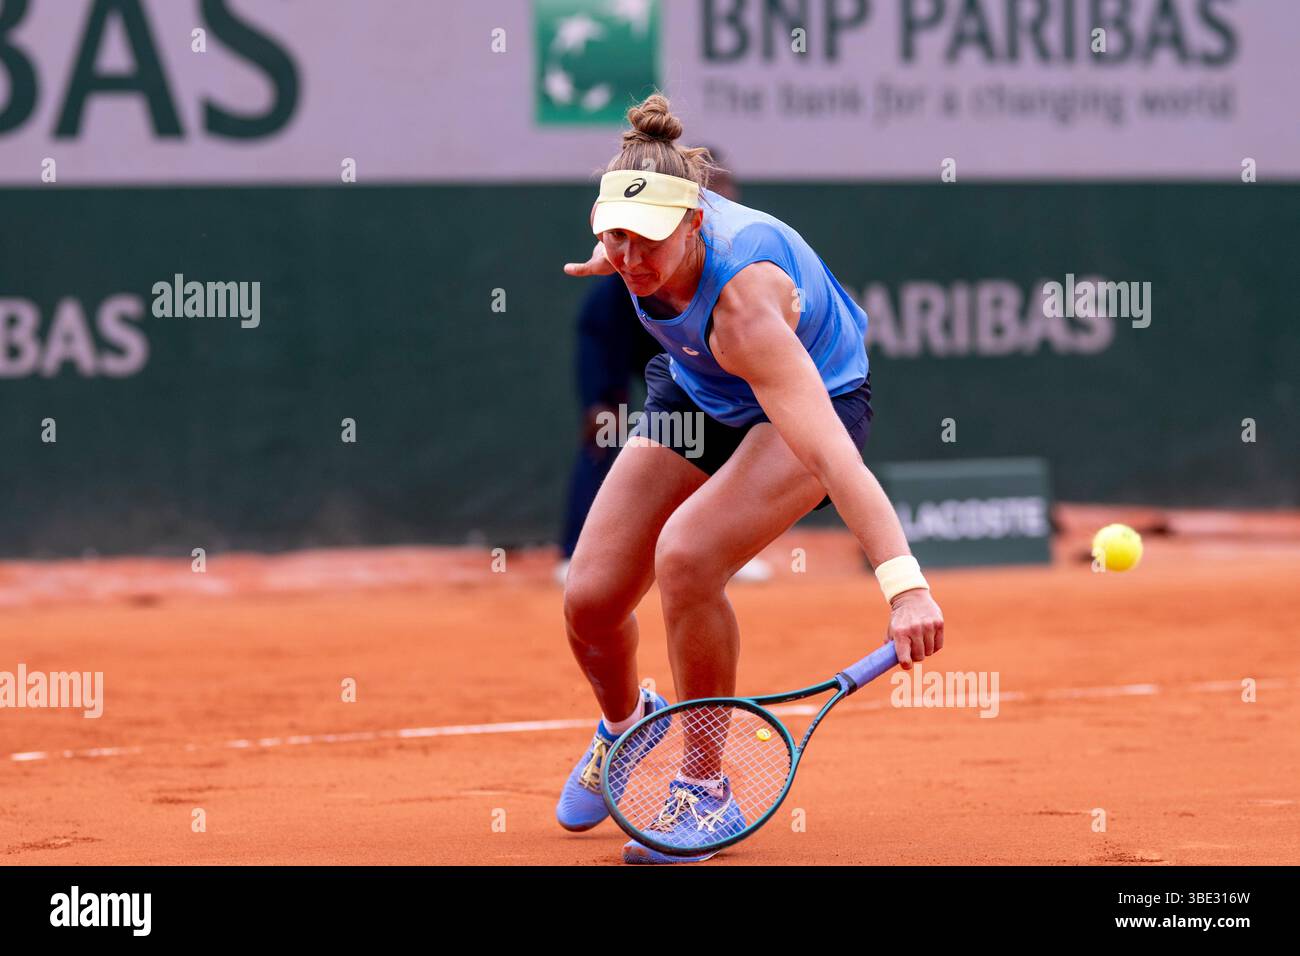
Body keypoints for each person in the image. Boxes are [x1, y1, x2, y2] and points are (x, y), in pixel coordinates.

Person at [554, 94, 945, 864]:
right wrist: (625, 245)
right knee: (591, 601)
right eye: (616, 238)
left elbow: (835, 459)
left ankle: (705, 790)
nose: (631, 258)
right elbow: (634, 237)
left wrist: (906, 587)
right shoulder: (640, 242)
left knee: (688, 558)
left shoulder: (745, 309)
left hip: (805, 401)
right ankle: (628, 723)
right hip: (698, 392)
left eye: (649, 242)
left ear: (696, 222)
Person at [555, 158, 773, 585]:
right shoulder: (653, 232)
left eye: (729, 196)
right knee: (605, 428)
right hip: (615, 327)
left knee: (715, 427)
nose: (723, 206)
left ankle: (725, 548)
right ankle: (575, 552)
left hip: (674, 336)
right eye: (715, 195)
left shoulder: (733, 252)